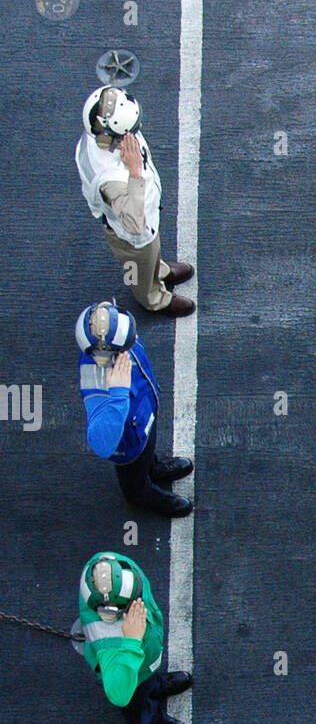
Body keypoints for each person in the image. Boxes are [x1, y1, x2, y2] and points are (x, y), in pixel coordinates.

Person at [75, 86, 195, 315]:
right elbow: (134, 224)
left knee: (151, 252)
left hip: (143, 221)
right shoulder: (110, 178)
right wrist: (135, 173)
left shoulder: (100, 132)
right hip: (131, 234)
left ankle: (157, 270)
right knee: (138, 268)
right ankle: (153, 298)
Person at [76, 300, 193, 516]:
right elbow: (101, 444)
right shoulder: (97, 385)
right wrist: (119, 393)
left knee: (147, 451)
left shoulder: (110, 345)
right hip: (127, 443)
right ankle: (141, 495)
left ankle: (153, 469)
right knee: (134, 477)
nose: (136, 337)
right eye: (131, 336)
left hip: (142, 420)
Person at [78, 551, 191, 724]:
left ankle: (153, 684)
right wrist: (131, 642)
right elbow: (119, 695)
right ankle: (151, 721)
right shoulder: (109, 643)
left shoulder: (107, 566)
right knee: (136, 703)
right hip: (128, 673)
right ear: (110, 612)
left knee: (146, 681)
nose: (139, 602)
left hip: (142, 663)